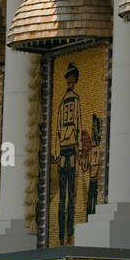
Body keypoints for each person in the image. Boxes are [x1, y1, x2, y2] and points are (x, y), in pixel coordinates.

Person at [55, 64, 82, 244]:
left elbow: (57, 129)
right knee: (69, 195)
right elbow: (78, 125)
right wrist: (78, 150)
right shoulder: (75, 100)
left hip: (64, 150)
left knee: (63, 195)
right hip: (71, 150)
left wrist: (57, 153)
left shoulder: (62, 102)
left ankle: (61, 234)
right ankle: (68, 232)